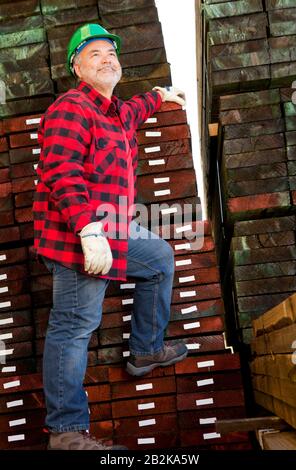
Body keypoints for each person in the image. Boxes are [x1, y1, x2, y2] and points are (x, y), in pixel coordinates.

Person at [33, 23, 187, 451]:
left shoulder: (114, 110)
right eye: (94, 53)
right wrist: (88, 229)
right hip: (78, 237)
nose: (107, 58)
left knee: (158, 258)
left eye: (111, 53)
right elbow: (61, 172)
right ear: (77, 67)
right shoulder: (71, 109)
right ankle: (65, 431)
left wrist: (160, 96)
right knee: (74, 326)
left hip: (114, 228)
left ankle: (144, 351)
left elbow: (136, 109)